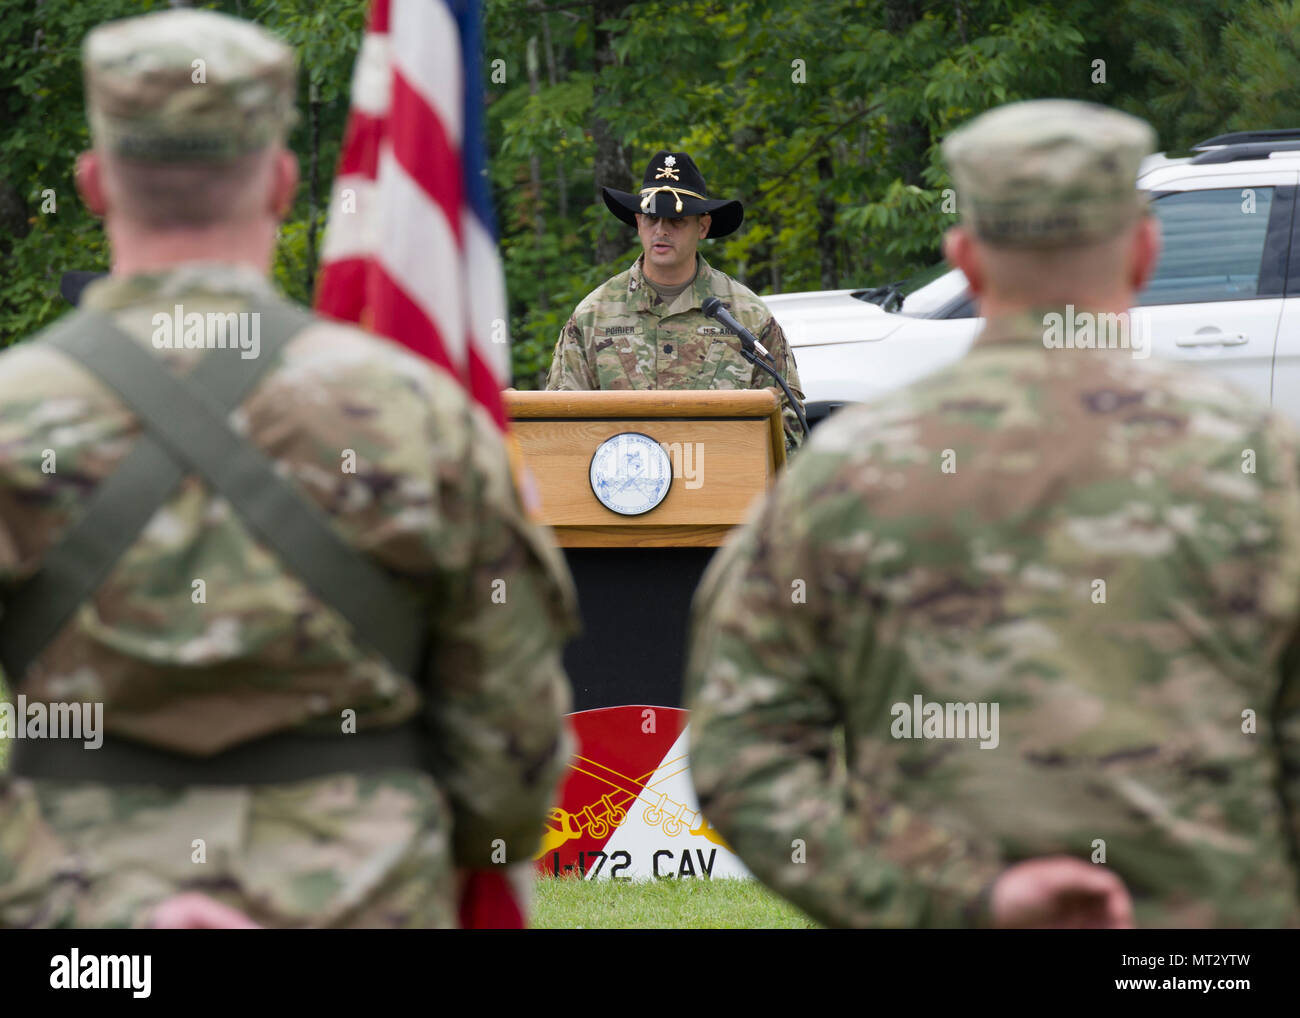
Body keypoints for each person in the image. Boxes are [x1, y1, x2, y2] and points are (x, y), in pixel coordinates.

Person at [0, 7, 577, 929]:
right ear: (279, 181)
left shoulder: (14, 415)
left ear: (95, 183)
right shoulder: (418, 415)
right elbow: (509, 768)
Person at [684, 99, 1300, 928]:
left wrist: (952, 896)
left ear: (965, 259)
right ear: (1146, 251)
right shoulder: (1265, 470)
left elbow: (741, 756)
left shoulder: (844, 477)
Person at [545, 150, 806, 454]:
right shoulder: (593, 316)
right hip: (619, 492)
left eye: (677, 220)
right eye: (653, 218)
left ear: (703, 226)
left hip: (723, 491)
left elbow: (788, 424)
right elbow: (559, 420)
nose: (662, 230)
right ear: (638, 221)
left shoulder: (747, 316)